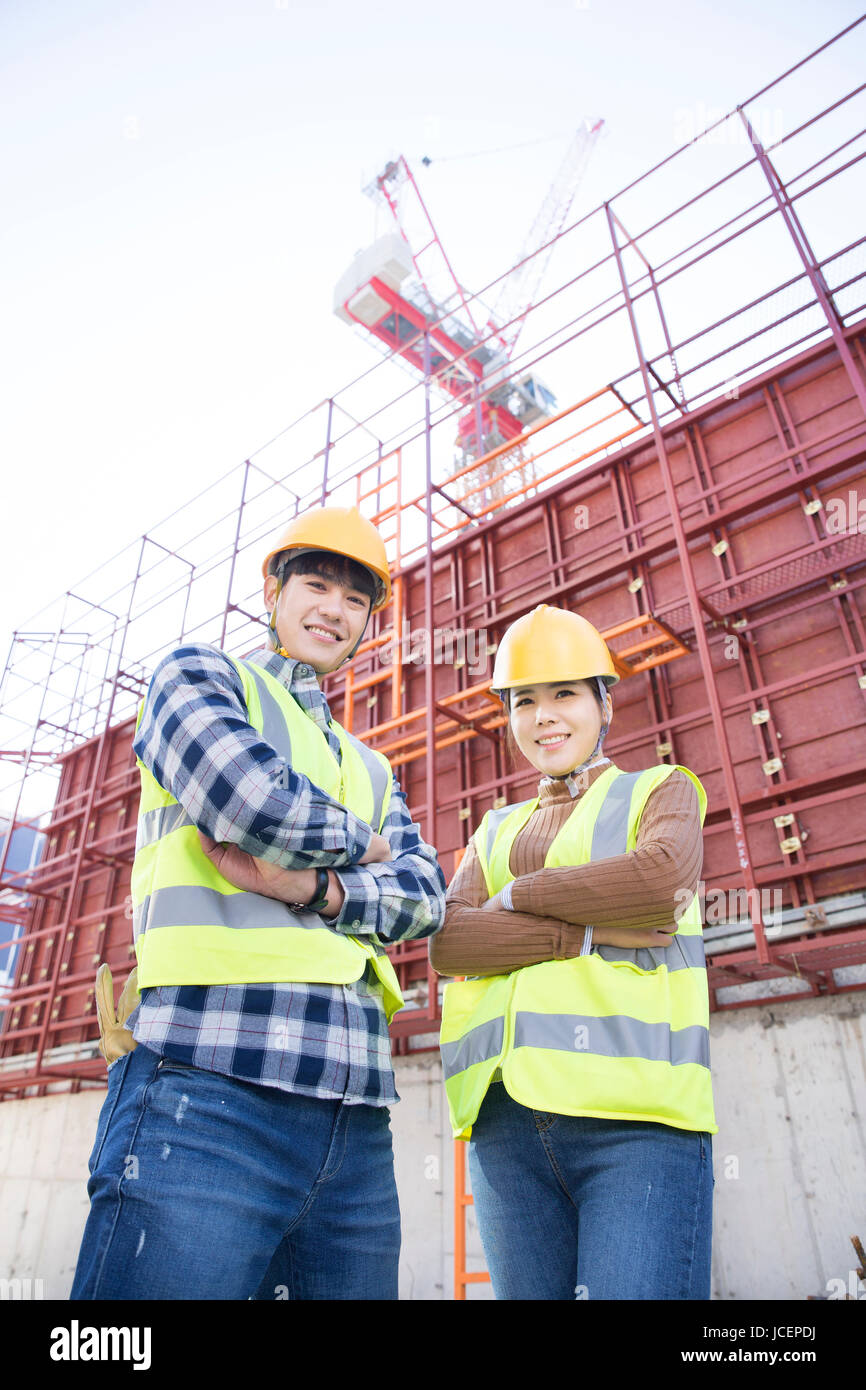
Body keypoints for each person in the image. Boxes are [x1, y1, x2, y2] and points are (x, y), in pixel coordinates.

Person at [71, 505, 446, 1301]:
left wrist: (313, 885)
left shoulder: (371, 766)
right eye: (314, 584)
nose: (332, 610)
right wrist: (368, 849)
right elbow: (248, 801)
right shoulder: (198, 676)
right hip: (208, 1089)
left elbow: (425, 900)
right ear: (272, 592)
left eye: (354, 601)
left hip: (354, 1121)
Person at [430, 604, 715, 1301]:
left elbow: (658, 884)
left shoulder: (660, 791)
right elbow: (452, 940)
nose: (544, 716)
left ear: (602, 703)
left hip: (637, 1125)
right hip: (506, 1130)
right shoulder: (494, 827)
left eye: (564, 694)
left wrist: (521, 895)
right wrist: (581, 932)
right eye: (524, 700)